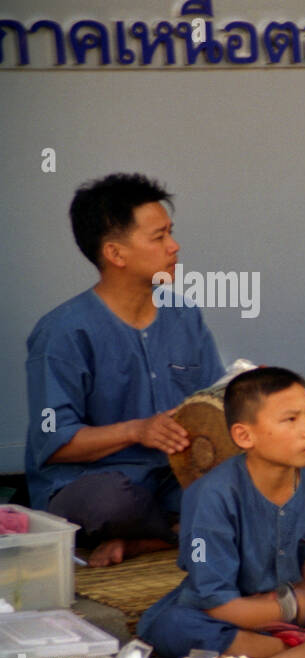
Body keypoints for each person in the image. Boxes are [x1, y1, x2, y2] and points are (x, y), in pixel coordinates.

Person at [25, 173, 224, 566]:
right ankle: (181, 532)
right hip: (93, 485)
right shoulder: (63, 332)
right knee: (111, 502)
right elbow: (56, 441)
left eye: (171, 233)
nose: (174, 246)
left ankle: (150, 541)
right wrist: (138, 430)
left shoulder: (184, 316)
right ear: (116, 254)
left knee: (266, 475)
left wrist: (248, 393)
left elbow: (211, 403)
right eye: (159, 237)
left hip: (173, 478)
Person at [137, 367, 305, 658]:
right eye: (291, 419)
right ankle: (304, 655)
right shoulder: (211, 495)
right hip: (233, 619)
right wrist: (300, 603)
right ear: (245, 435)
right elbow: (216, 603)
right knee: (171, 626)